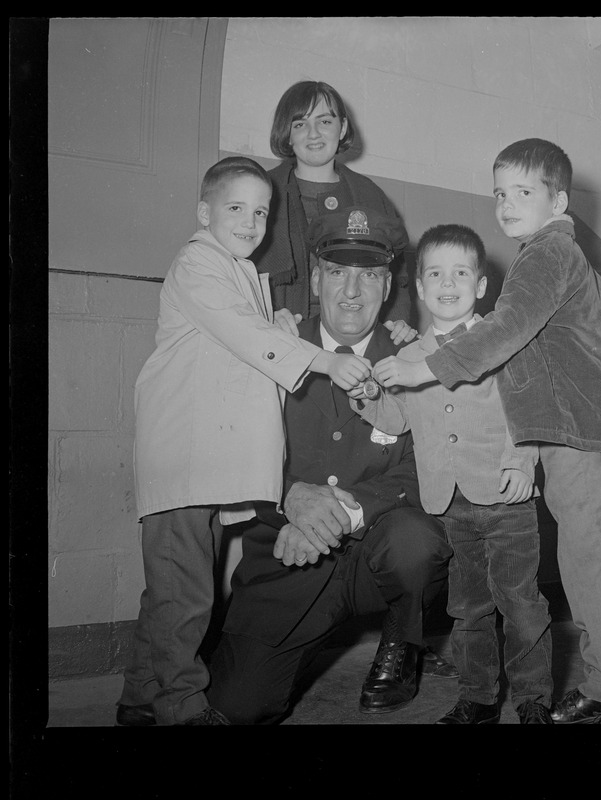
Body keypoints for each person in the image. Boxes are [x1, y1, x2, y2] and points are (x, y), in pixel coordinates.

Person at [372, 138, 601, 725]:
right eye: (500, 193)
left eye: (523, 192)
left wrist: (420, 368)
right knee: (584, 570)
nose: (507, 204)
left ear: (559, 199)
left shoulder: (548, 254)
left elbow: (506, 329)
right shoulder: (543, 255)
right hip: (560, 433)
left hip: (582, 431)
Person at [116, 157, 373, 726]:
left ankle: (139, 702)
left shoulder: (239, 273)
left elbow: (249, 344)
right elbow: (240, 332)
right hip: (184, 460)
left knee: (172, 590)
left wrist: (279, 323)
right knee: (186, 598)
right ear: (204, 212)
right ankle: (183, 711)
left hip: (205, 463)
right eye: (236, 208)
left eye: (261, 212)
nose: (251, 221)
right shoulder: (197, 263)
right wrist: (323, 358)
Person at [206, 206, 455, 725]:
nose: (351, 291)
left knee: (418, 542)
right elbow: (230, 447)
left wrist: (350, 507)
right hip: (290, 552)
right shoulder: (273, 347)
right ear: (317, 278)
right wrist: (292, 496)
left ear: (387, 286)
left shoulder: (413, 361)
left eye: (368, 276)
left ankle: (402, 640)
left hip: (375, 550)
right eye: (338, 272)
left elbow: (424, 468)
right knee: (239, 705)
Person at [351, 224, 554, 725]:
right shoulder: (406, 359)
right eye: (436, 274)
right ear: (419, 287)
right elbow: (397, 421)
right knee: (468, 610)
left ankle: (533, 700)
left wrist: (522, 460)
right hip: (451, 504)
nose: (448, 283)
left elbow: (526, 407)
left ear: (481, 286)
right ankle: (478, 698)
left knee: (521, 603)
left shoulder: (497, 342)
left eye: (461, 273)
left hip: (507, 498)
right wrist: (366, 397)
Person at [253, 79, 412, 327]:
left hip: (353, 340)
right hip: (281, 337)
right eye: (300, 124)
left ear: (342, 127)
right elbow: (234, 274)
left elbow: (396, 274)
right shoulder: (260, 191)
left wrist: (395, 325)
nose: (313, 133)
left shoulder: (370, 195)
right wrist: (262, 315)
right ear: (288, 133)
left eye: (325, 121)